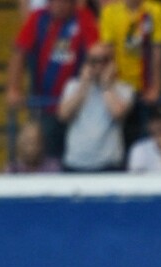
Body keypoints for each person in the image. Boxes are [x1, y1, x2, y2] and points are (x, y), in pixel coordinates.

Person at [8, 0, 100, 124]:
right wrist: (14, 88)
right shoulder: (38, 18)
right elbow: (19, 51)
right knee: (31, 138)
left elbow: (95, 52)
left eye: (64, 2)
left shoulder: (84, 18)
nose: (59, 5)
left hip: (76, 104)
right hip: (44, 102)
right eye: (55, 2)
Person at [56, 44, 135, 172]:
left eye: (104, 60)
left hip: (108, 164)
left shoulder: (125, 89)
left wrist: (106, 86)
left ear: (112, 63)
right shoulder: (72, 86)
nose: (98, 66)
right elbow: (63, 115)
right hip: (75, 162)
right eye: (93, 61)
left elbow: (117, 113)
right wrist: (83, 86)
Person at [99, 0, 161, 103]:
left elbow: (158, 53)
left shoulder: (156, 10)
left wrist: (156, 87)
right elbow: (108, 52)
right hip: (120, 85)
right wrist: (111, 86)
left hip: (147, 84)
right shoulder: (109, 11)